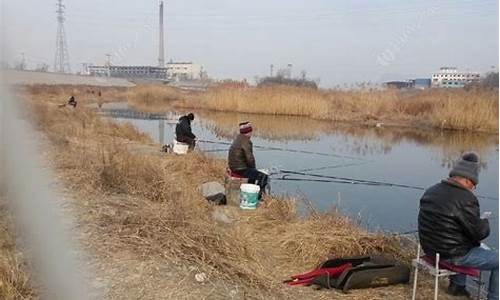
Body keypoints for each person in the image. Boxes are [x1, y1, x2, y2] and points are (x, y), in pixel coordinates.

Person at [418, 152, 498, 299]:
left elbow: (450, 227)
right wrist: (484, 222)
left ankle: (457, 287)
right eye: (474, 186)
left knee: (461, 241)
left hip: (430, 250)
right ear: (468, 180)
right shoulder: (467, 199)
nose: (473, 189)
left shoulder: (431, 191)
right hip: (450, 256)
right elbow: (479, 233)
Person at [228, 121, 268, 197]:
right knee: (263, 176)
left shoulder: (238, 139)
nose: (251, 133)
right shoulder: (246, 141)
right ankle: (260, 196)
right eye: (251, 131)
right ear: (249, 132)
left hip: (233, 167)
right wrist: (254, 169)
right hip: (240, 169)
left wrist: (252, 170)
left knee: (252, 173)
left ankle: (250, 192)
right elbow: (250, 158)